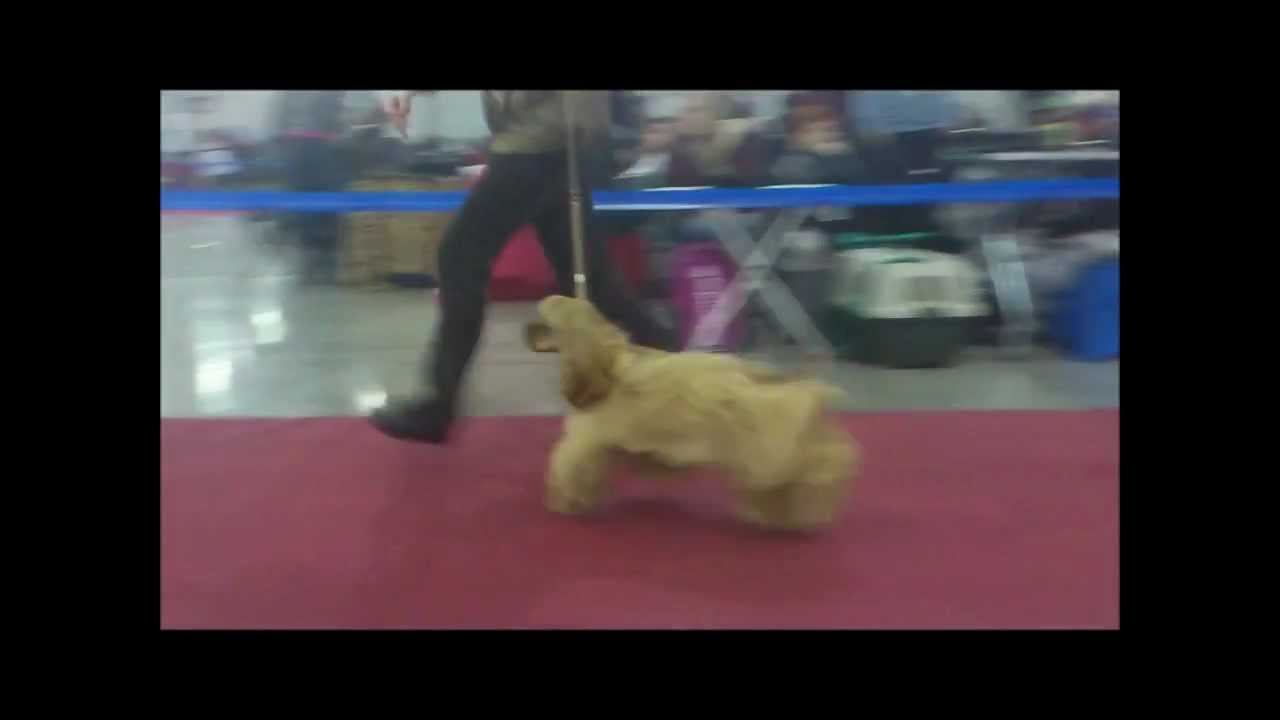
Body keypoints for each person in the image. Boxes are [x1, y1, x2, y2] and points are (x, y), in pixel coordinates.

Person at [370, 91, 676, 444]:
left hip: (535, 146)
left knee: (460, 256)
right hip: (554, 145)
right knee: (592, 278)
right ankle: (675, 361)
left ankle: (437, 404)